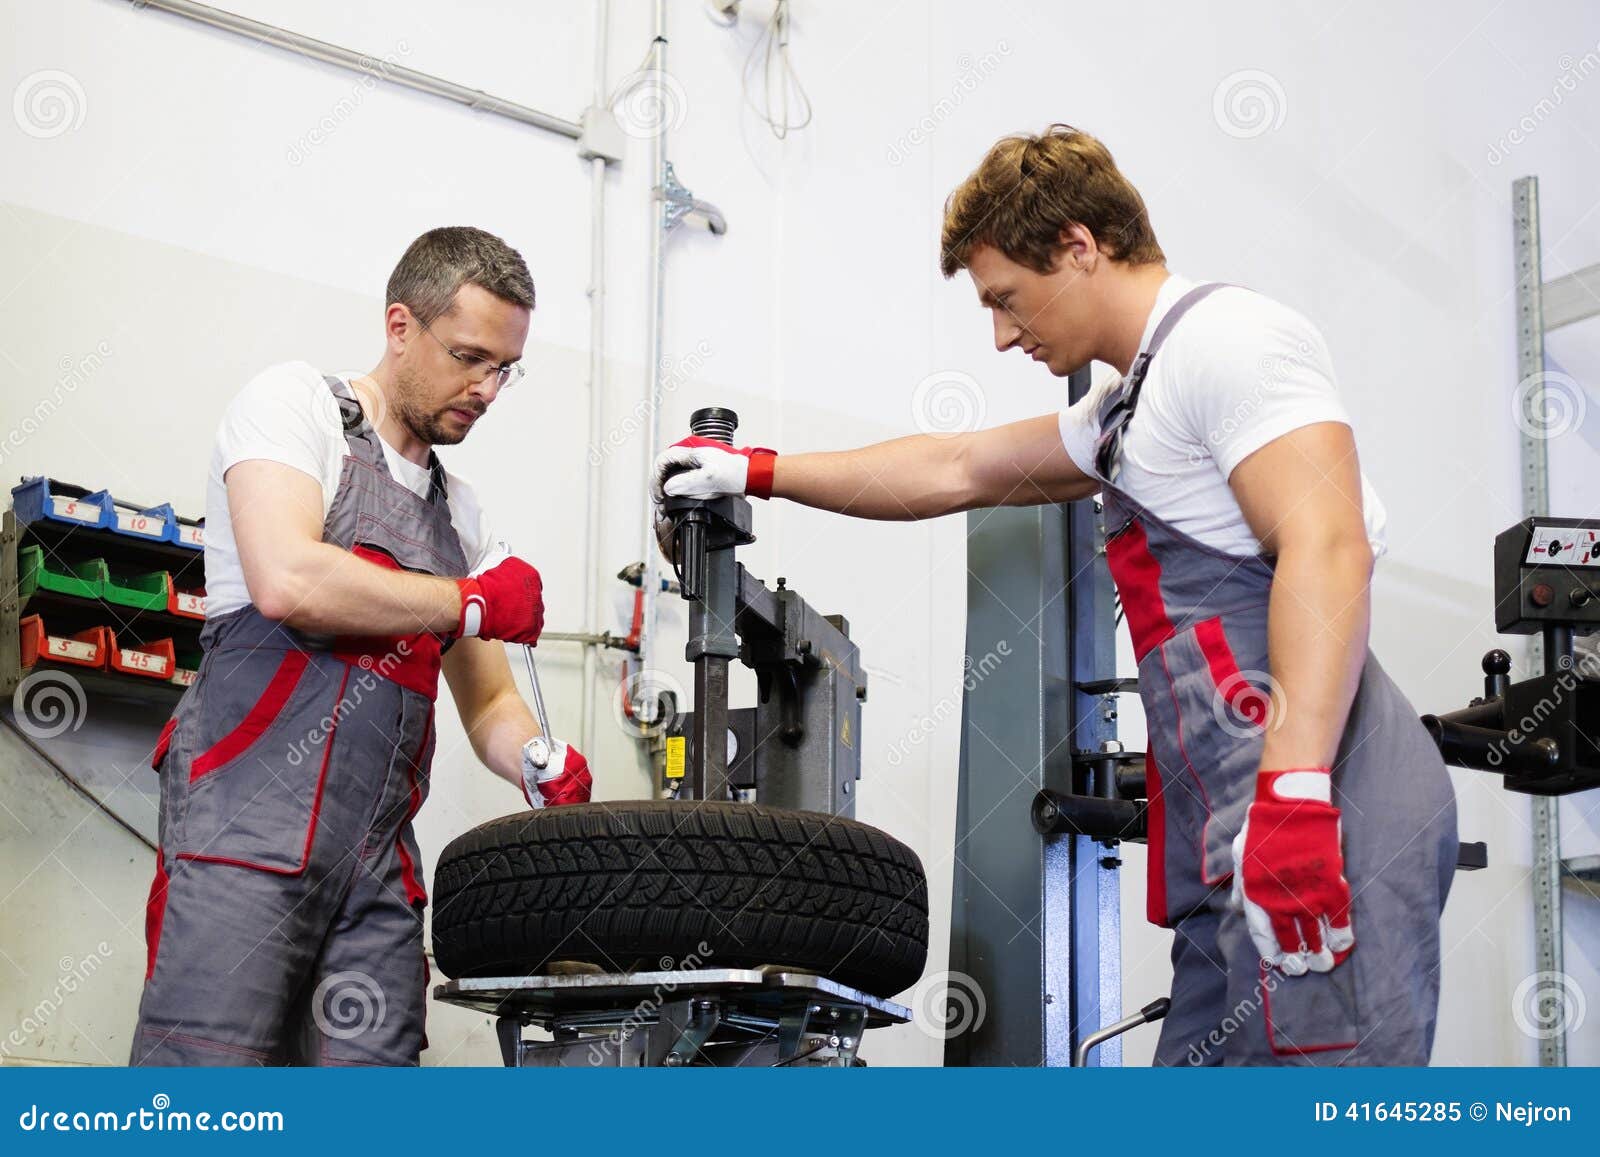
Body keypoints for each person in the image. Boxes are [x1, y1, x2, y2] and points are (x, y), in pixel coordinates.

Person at [651, 126, 1458, 1066]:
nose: (1001, 333)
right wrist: (757, 470)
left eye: (1006, 298)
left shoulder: (1233, 341)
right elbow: (956, 465)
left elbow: (1327, 543)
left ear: (1079, 246)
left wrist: (1296, 794)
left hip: (1321, 813)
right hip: (1234, 840)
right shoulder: (1127, 407)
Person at [131, 226, 591, 1066]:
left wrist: (533, 754)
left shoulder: (460, 513)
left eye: (504, 368)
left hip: (376, 871)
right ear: (400, 325)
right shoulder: (293, 407)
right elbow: (289, 578)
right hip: (244, 839)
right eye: (468, 356)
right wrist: (468, 598)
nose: (485, 388)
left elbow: (486, 697)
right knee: (203, 1088)